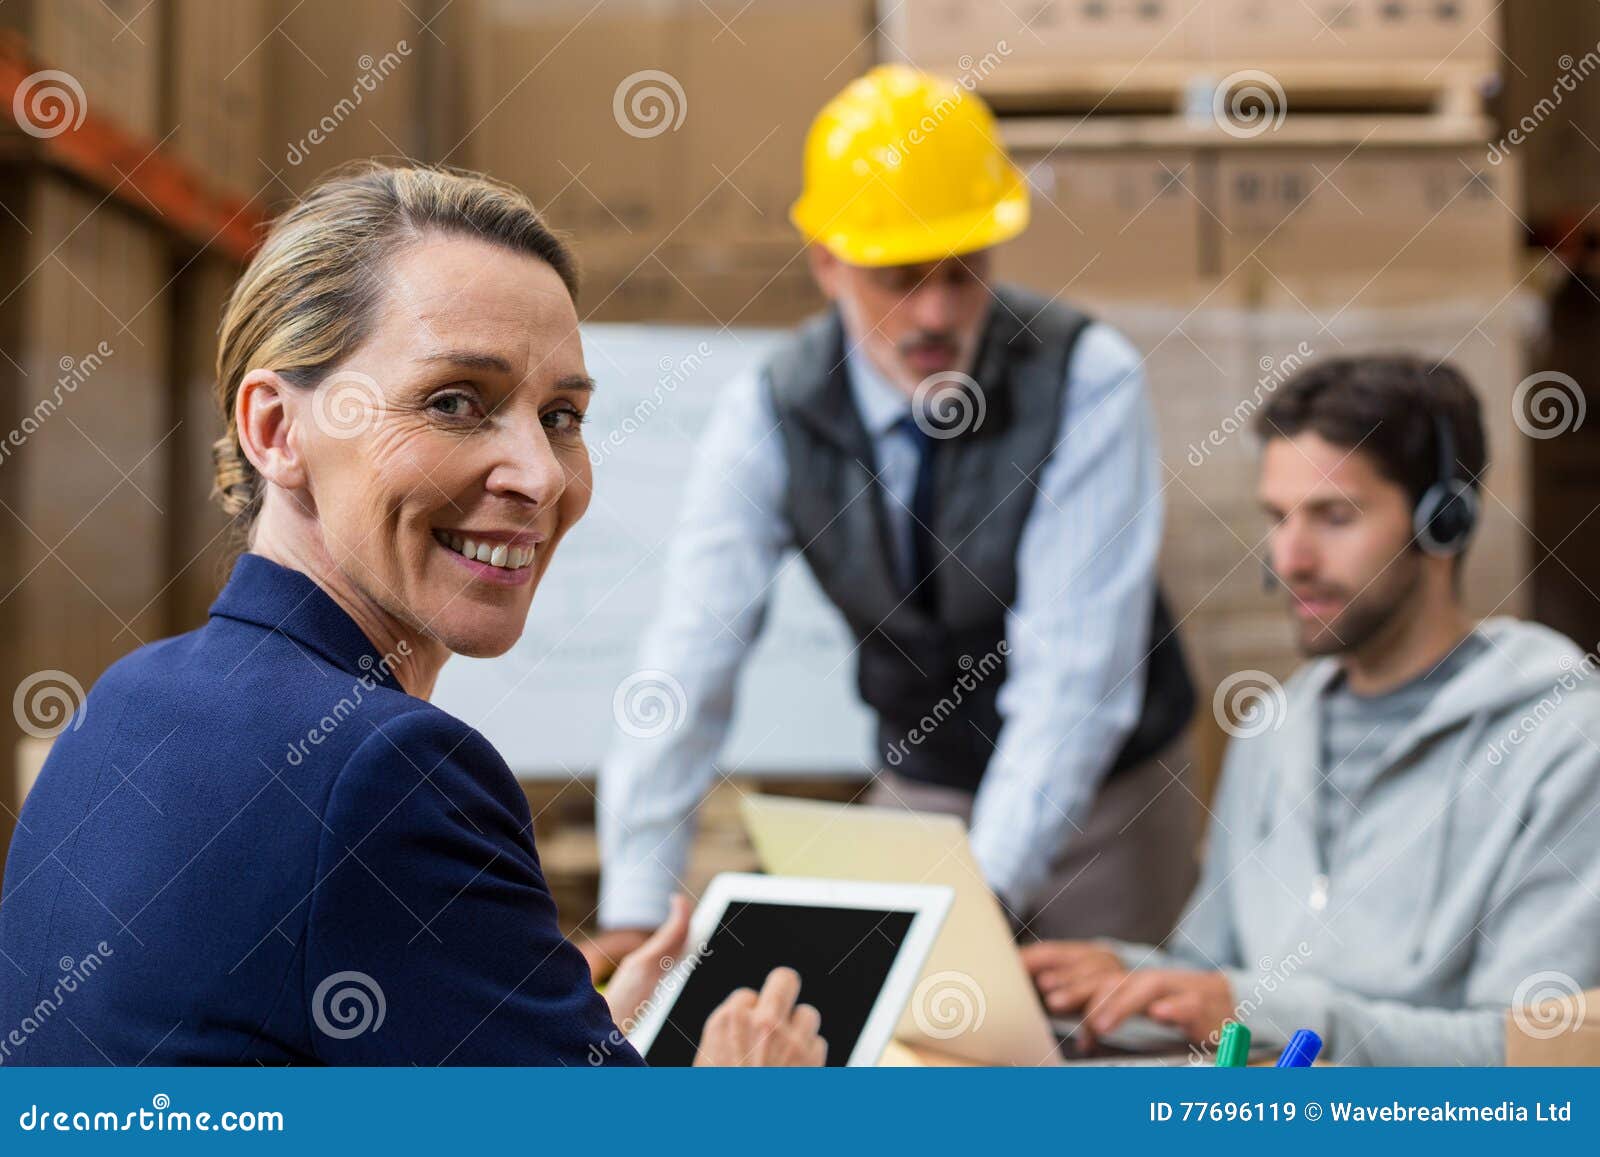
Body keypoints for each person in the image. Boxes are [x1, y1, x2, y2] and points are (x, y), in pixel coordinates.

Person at [0, 162, 824, 1067]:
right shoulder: (385, 771)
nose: (540, 475)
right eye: (453, 402)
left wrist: (574, 1039)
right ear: (276, 430)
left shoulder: (129, 697)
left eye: (561, 415)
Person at [590, 63, 1199, 975]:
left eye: (963, 272)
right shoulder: (771, 410)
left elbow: (1075, 683)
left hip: (1107, 801)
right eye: (898, 278)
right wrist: (638, 902)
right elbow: (690, 654)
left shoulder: (1086, 377)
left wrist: (977, 907)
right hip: (925, 783)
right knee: (896, 1028)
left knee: (1110, 1036)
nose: (937, 314)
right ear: (826, 262)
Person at [1022, 355, 1600, 1065]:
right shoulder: (1272, 728)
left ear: (1443, 522)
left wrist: (1260, 1010)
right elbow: (1212, 973)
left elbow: (1537, 1060)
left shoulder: (1564, 743)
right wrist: (1120, 981)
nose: (1290, 559)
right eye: (1278, 517)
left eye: (1334, 516)